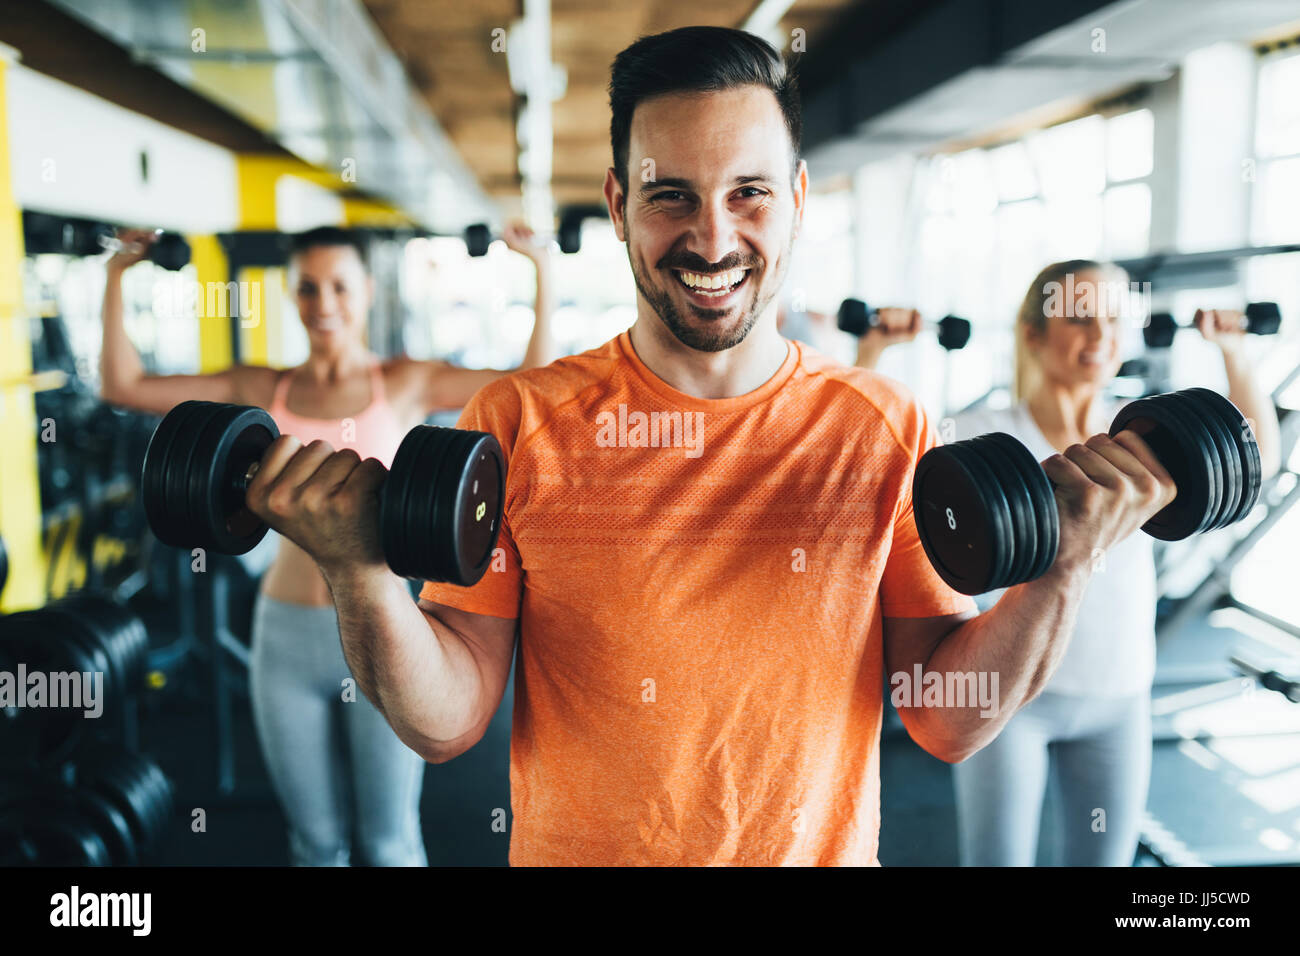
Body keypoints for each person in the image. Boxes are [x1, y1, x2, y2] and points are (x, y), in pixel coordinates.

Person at [235, 26, 1179, 866]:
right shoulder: (517, 422)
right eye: (671, 195)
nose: (713, 237)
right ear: (617, 201)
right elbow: (448, 724)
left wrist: (1061, 571)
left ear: (799, 197)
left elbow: (944, 720)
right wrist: (360, 576)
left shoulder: (883, 426)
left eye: (750, 193)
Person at [100, 222, 556, 865]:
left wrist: (541, 270)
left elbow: (532, 381)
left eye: (339, 285)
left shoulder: (403, 382)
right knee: (315, 845)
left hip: (386, 629)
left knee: (390, 839)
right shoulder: (265, 389)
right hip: (283, 633)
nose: (324, 303)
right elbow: (125, 388)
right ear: (292, 295)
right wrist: (117, 275)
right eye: (308, 288)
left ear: (366, 291)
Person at [859, 259, 1281, 865]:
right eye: (1079, 316)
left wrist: (1234, 354)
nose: (1100, 334)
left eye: (1113, 317)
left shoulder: (1147, 444)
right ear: (1033, 333)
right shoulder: (979, 434)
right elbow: (867, 456)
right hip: (1011, 699)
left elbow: (1250, 466)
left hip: (1122, 692)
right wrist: (871, 348)